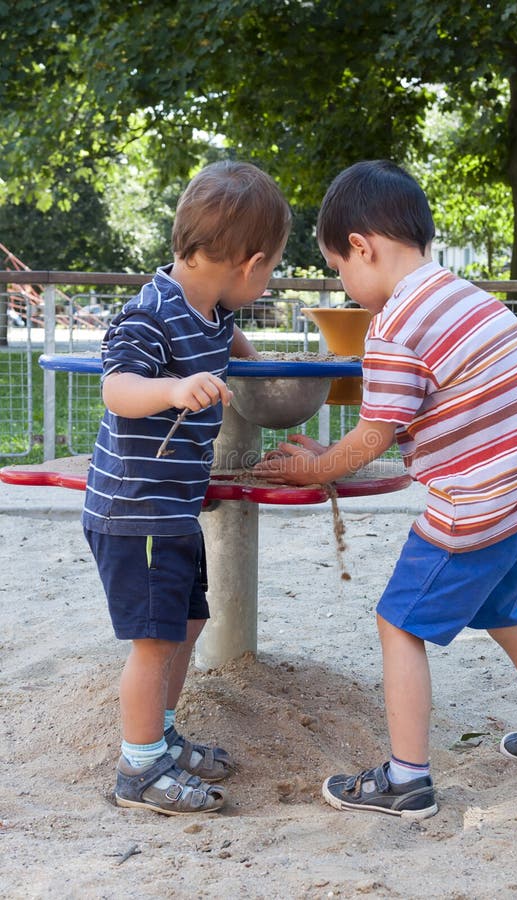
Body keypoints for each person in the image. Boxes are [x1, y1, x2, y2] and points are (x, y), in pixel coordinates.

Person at [253, 159, 517, 820]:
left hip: (480, 507)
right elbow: (401, 420)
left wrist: (312, 469)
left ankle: (406, 778)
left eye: (338, 270)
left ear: (362, 246)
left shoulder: (394, 325)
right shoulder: (465, 298)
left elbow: (375, 436)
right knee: (503, 611)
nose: (346, 287)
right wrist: (335, 452)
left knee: (397, 621)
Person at [83, 161, 291, 816]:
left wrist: (258, 371)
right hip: (133, 508)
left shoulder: (209, 313)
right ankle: (138, 769)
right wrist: (172, 390)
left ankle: (160, 733)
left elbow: (227, 339)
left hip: (172, 506)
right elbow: (117, 388)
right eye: (273, 268)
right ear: (251, 262)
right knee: (155, 638)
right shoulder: (149, 313)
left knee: (189, 618)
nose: (270, 280)